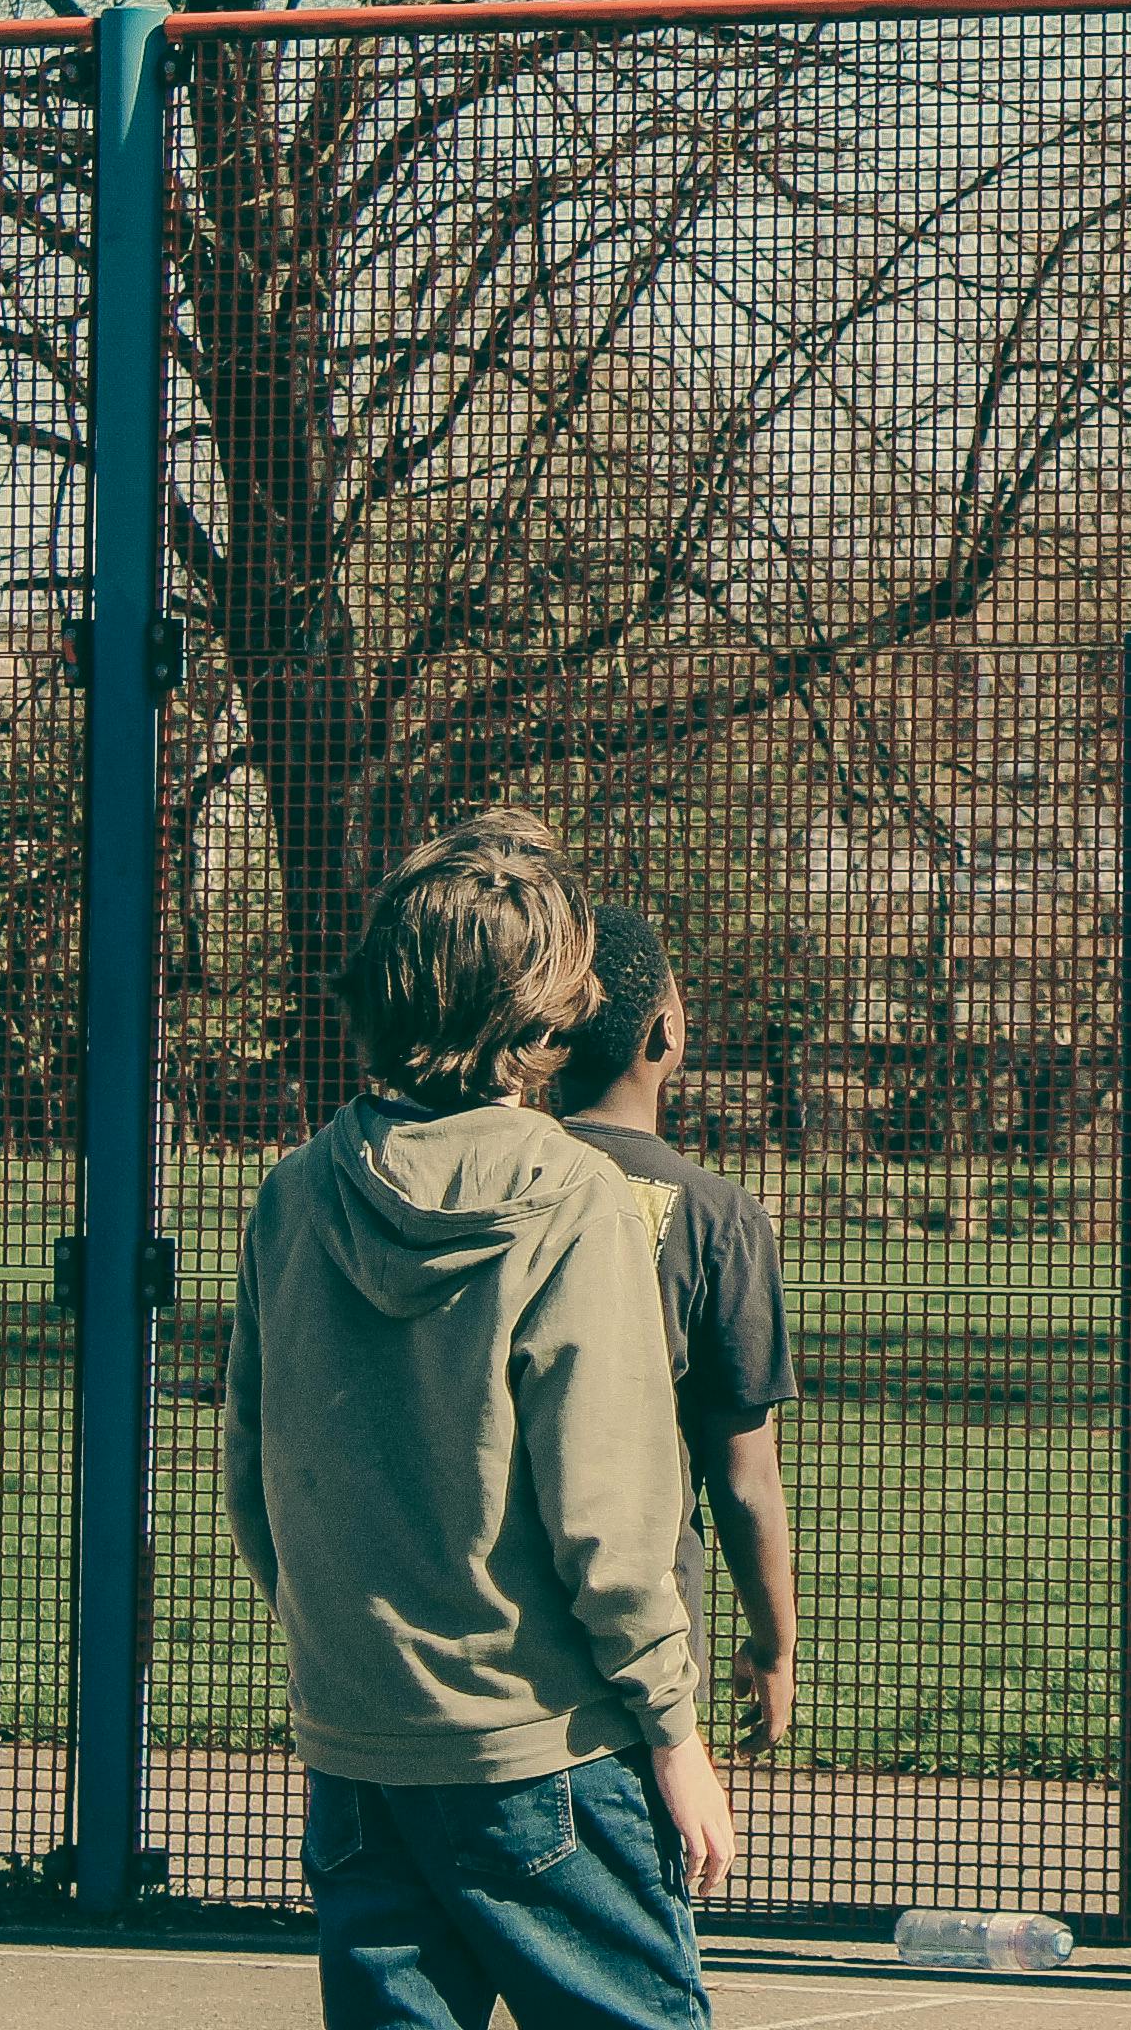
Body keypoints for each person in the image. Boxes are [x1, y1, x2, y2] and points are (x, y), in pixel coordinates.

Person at [227, 808, 733, 2030]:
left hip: (359, 1749)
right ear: (549, 1008)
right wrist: (674, 1729)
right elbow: (607, 1517)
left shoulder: (294, 1194)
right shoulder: (578, 1198)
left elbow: (256, 1482)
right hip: (545, 1750)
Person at [553, 898, 801, 1750]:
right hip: (646, 1631)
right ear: (666, 1032)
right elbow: (744, 1481)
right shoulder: (717, 1217)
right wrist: (774, 1646)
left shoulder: (498, 1182)